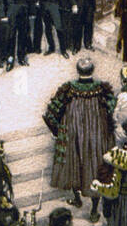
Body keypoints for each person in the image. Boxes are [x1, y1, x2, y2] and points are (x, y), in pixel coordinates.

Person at [43, 57, 116, 212]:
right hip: (97, 137)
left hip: (74, 134)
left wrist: (57, 131)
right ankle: (94, 210)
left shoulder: (68, 89)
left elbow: (50, 114)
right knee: (95, 168)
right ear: (92, 70)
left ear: (78, 71)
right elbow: (112, 110)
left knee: (73, 166)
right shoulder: (102, 90)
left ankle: (77, 200)